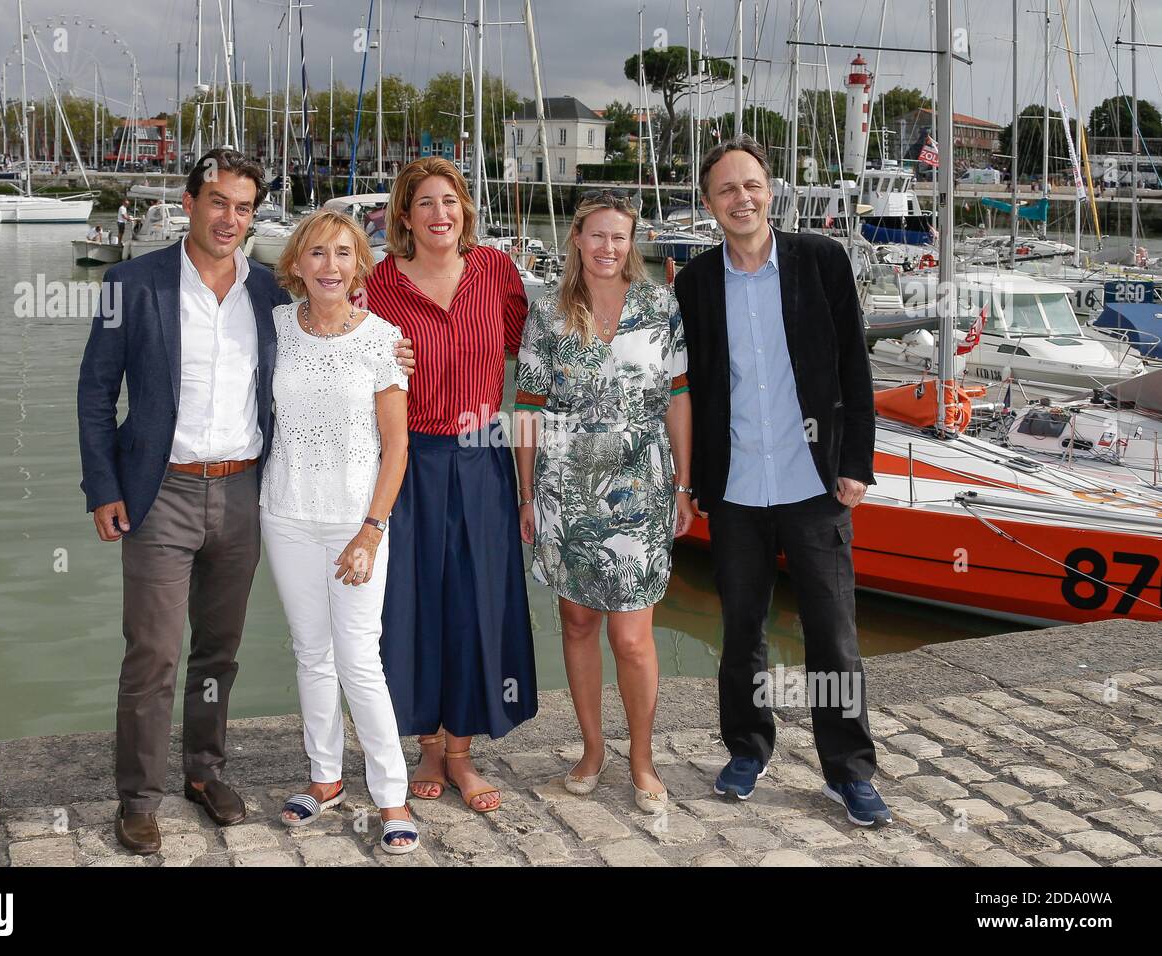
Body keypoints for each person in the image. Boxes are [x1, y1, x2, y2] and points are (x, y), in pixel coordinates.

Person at [77, 148, 416, 855]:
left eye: (243, 207)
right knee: (153, 652)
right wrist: (103, 487)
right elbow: (94, 392)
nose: (231, 218)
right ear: (190, 201)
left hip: (245, 491)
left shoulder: (269, 297)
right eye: (218, 202)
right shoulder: (130, 283)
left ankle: (204, 773)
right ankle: (139, 798)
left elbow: (342, 337)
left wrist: (393, 354)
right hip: (159, 492)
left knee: (218, 651)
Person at [673, 135, 889, 827]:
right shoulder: (695, 281)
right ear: (709, 204)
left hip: (813, 481)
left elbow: (855, 368)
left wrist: (856, 462)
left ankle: (847, 771)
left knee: (833, 634)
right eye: (727, 189)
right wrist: (694, 479)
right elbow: (695, 385)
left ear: (771, 190)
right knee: (742, 631)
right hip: (736, 487)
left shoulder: (822, 262)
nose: (742, 198)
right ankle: (748, 747)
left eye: (752, 185)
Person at [365, 156, 536, 813]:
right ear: (404, 218)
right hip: (406, 462)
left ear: (465, 210)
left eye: (450, 201)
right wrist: (375, 355)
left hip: (481, 459)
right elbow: (330, 348)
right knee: (412, 605)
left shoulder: (494, 271)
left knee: (475, 604)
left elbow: (538, 351)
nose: (441, 214)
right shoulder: (377, 285)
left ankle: (461, 751)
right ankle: (426, 747)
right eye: (425, 203)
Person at [513, 191, 693, 814]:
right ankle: (592, 750)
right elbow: (528, 407)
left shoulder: (660, 305)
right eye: (596, 236)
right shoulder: (548, 312)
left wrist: (683, 486)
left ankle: (642, 759)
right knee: (578, 622)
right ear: (576, 240)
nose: (607, 248)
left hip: (641, 485)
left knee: (634, 638)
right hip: (564, 488)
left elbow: (677, 397)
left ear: (631, 241)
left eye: (619, 237)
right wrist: (527, 492)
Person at [262, 210, 419, 855]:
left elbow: (397, 446)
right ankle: (324, 778)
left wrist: (371, 530)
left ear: (361, 266)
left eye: (343, 253)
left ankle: (392, 795)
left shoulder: (384, 340)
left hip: (357, 522)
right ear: (296, 264)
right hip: (286, 515)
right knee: (310, 651)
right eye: (317, 252)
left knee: (358, 657)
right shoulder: (274, 329)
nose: (329, 265)